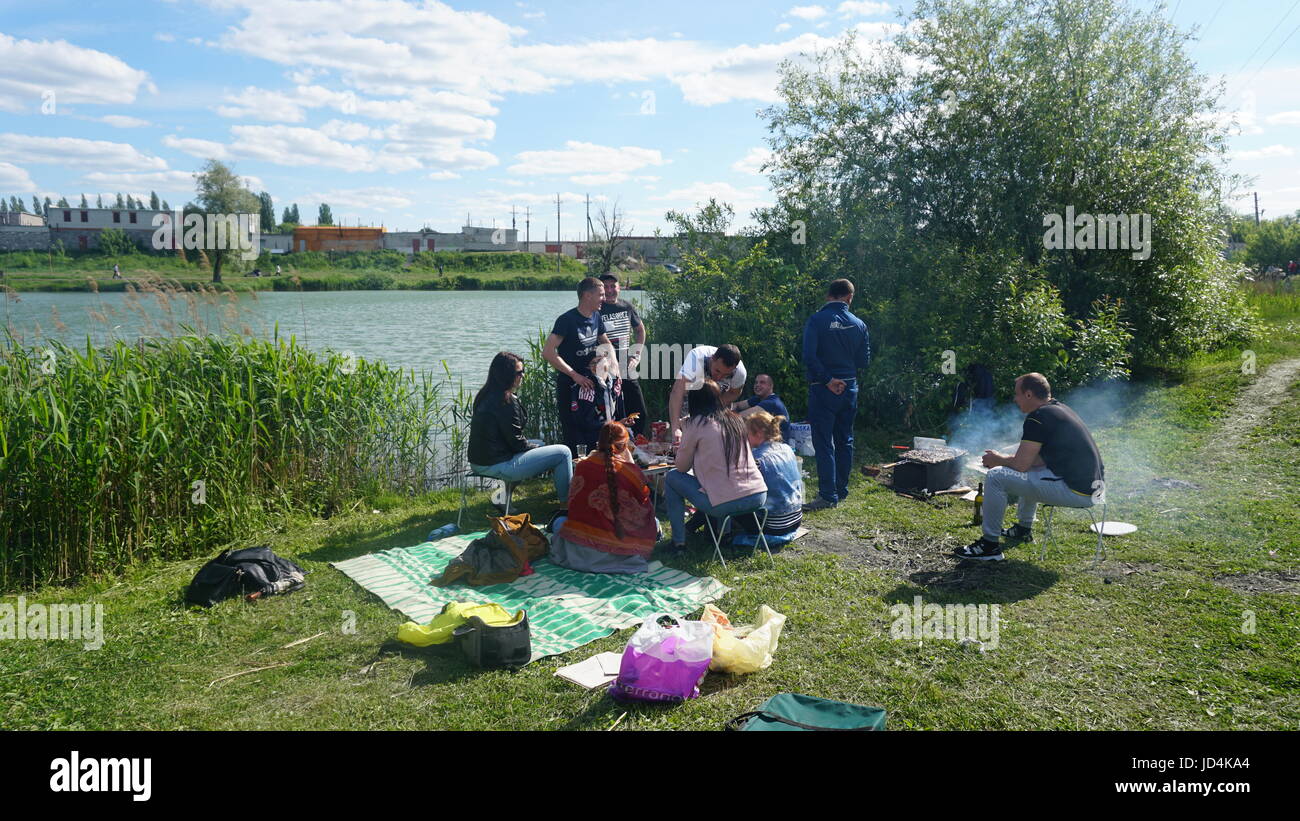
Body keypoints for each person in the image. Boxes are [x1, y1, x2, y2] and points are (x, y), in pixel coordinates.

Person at [955, 372, 1105, 561]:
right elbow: (1037, 458)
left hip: (1077, 491)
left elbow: (1020, 464)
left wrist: (999, 460)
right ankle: (1023, 529)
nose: (1015, 399)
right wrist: (1005, 456)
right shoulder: (1058, 409)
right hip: (1093, 489)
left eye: (1017, 394)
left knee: (996, 476)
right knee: (1030, 471)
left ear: (1028, 394)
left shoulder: (1038, 417)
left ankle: (989, 545)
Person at [661, 380, 766, 554]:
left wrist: (683, 442)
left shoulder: (696, 424)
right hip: (757, 496)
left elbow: (681, 467)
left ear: (694, 401)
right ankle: (722, 535)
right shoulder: (736, 420)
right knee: (722, 482)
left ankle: (678, 543)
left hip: (726, 503)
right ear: (718, 398)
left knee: (672, 477)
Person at [549, 421, 658, 574]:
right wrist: (630, 463)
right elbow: (646, 510)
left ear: (599, 443)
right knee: (656, 524)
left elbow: (573, 504)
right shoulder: (631, 473)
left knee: (559, 523)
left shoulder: (582, 466)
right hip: (618, 548)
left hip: (578, 549)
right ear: (624, 446)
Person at [467, 351, 574, 504]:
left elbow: (509, 438)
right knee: (564, 453)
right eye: (519, 372)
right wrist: (532, 446)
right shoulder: (506, 400)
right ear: (506, 375)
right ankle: (568, 504)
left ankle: (501, 499)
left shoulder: (486, 394)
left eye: (523, 371)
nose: (522, 375)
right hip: (495, 464)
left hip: (479, 462)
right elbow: (517, 443)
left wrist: (534, 446)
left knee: (541, 444)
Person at [801, 278, 870, 510]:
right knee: (845, 440)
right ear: (849, 298)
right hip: (849, 387)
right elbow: (864, 361)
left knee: (823, 442)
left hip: (823, 388)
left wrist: (829, 379)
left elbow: (809, 357)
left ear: (828, 295)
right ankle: (841, 490)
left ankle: (828, 496)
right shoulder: (860, 324)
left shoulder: (817, 320)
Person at [542, 277, 620, 456]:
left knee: (595, 433)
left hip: (592, 387)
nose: (605, 297)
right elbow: (548, 352)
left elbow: (606, 343)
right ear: (587, 296)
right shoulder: (567, 320)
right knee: (573, 437)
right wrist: (575, 375)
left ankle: (596, 476)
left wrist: (613, 365)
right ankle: (573, 479)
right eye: (600, 294)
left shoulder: (596, 316)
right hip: (570, 386)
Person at [730, 410, 804, 548]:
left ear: (758, 433)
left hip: (774, 525)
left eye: (746, 434)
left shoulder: (757, 458)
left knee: (727, 498)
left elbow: (739, 487)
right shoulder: (787, 449)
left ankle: (697, 531)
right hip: (795, 518)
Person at [598, 273, 648, 437]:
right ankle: (614, 446)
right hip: (606, 367)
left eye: (613, 286)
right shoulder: (596, 309)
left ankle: (638, 442)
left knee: (639, 410)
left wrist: (637, 355)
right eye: (606, 286)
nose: (610, 290)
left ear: (619, 287)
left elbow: (640, 329)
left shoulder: (626, 306)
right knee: (614, 411)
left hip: (627, 364)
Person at [668, 344, 747, 443]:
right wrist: (675, 428)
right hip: (689, 396)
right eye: (717, 371)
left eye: (726, 375)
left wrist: (712, 406)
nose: (719, 377)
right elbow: (677, 391)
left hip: (716, 402)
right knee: (682, 437)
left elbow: (734, 392)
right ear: (712, 358)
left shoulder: (740, 372)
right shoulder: (696, 357)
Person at [730, 373, 791, 440]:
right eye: (756, 383)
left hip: (777, 445)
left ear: (771, 386)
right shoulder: (758, 398)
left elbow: (740, 417)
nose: (757, 385)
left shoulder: (771, 403)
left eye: (762, 382)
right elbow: (737, 405)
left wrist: (721, 413)